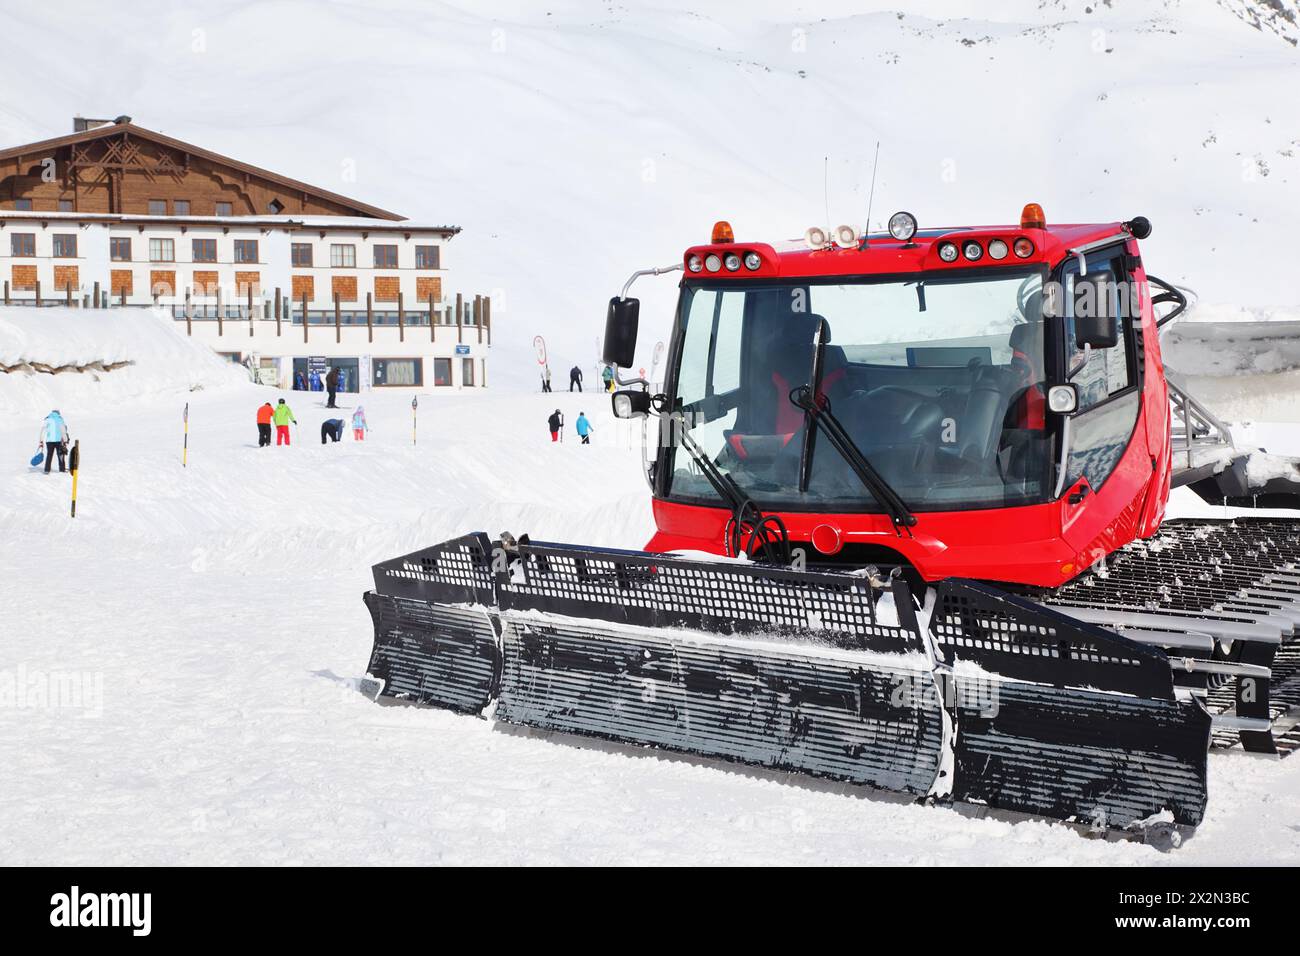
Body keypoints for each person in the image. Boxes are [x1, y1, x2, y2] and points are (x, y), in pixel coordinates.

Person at [38, 409, 69, 474]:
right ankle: (62, 469)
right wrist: (65, 440)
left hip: (49, 441)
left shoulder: (47, 419)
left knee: (49, 455)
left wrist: (41, 440)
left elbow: (43, 430)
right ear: (58, 413)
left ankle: (47, 470)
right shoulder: (60, 419)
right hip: (58, 441)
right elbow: (63, 431)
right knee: (60, 455)